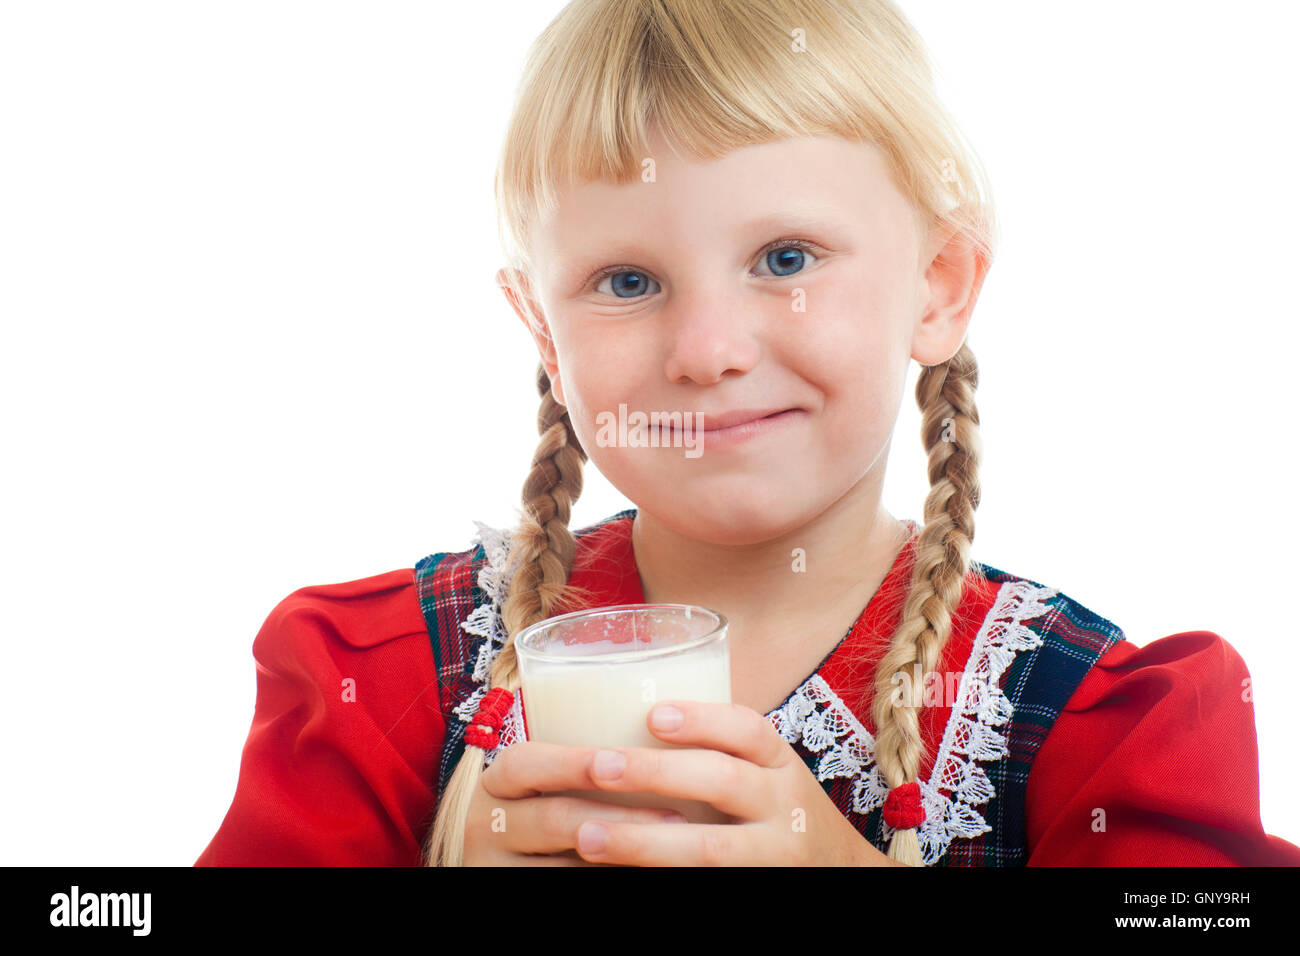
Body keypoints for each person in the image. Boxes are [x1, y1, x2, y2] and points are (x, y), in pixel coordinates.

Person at [194, 0, 1300, 867]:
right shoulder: (383, 680)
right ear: (541, 324)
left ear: (938, 286)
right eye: (626, 279)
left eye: (785, 258)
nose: (707, 349)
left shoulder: (1107, 730)